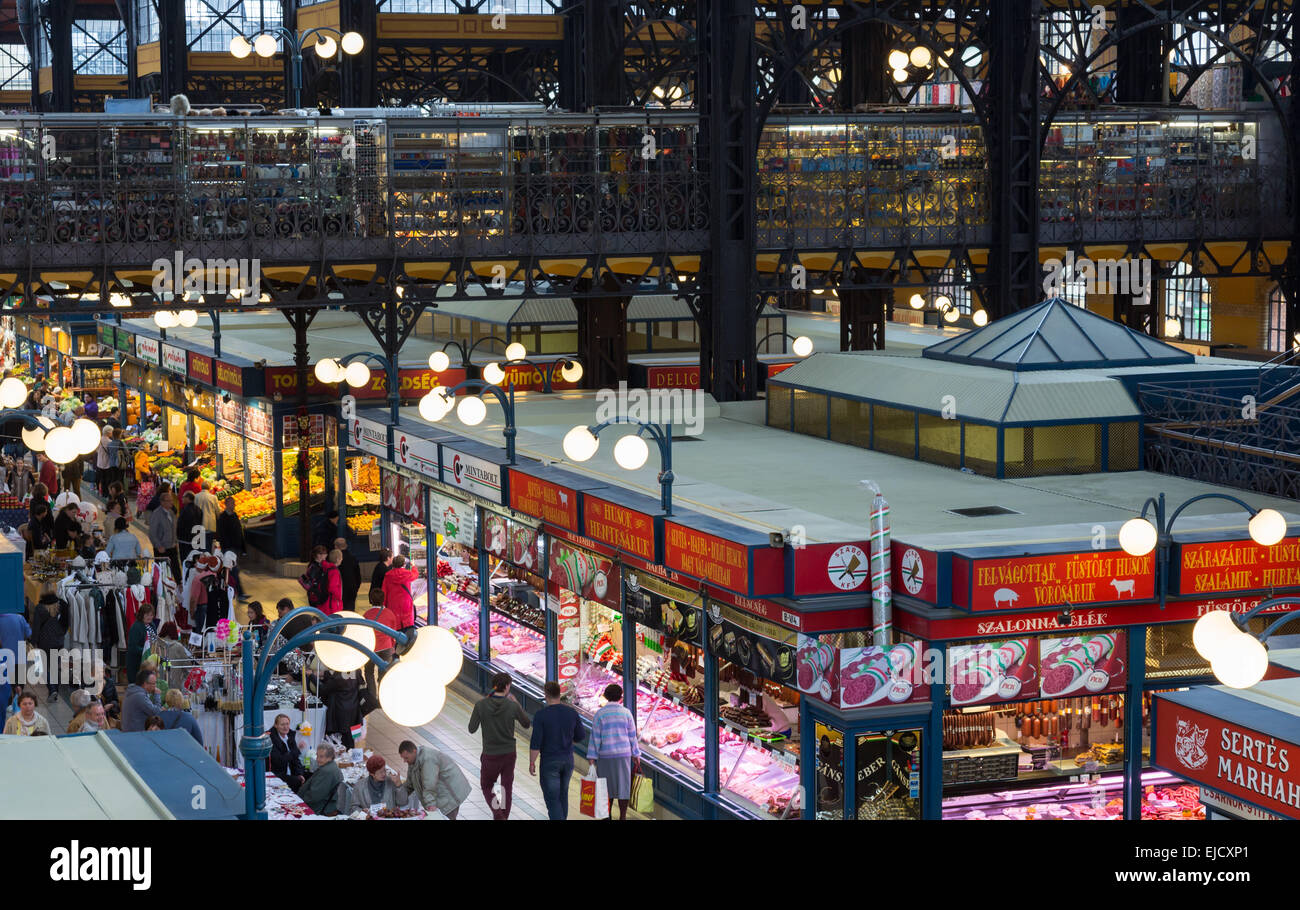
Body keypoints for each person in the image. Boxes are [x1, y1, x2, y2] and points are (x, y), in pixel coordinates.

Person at [467, 672, 532, 820]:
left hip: (490, 754)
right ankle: (502, 817)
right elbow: (526, 724)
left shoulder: (481, 705)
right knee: (506, 788)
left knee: (487, 785)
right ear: (507, 686)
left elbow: (471, 728)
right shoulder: (512, 706)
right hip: (509, 753)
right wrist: (517, 704)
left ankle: (498, 814)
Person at [529, 680, 585, 820]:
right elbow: (581, 736)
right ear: (560, 694)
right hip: (567, 760)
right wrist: (567, 740)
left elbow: (536, 742)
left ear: (546, 694)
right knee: (562, 795)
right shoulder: (571, 713)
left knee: (552, 799)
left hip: (550, 761)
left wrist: (532, 762)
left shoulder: (541, 715)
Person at [588, 684, 640, 820]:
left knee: (606, 786)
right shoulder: (626, 713)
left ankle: (607, 814)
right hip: (623, 755)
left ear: (605, 696)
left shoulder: (600, 714)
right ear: (620, 697)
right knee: (623, 786)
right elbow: (632, 736)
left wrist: (592, 756)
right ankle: (622, 816)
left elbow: (595, 737)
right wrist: (636, 754)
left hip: (605, 755)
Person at [397, 739, 471, 820]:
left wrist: (431, 806)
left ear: (414, 751)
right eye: (403, 758)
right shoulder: (413, 761)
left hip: (450, 794)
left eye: (406, 758)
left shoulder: (428, 759)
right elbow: (409, 785)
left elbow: (429, 785)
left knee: (446, 816)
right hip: (441, 794)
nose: (404, 761)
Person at [31, 584, 69, 701]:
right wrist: (61, 632)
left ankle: (52, 689)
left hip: (44, 642)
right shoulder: (62, 605)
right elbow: (67, 622)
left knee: (43, 668)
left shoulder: (40, 608)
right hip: (58, 641)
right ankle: (55, 690)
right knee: (54, 667)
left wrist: (34, 642)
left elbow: (36, 627)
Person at [314, 668, 361, 750]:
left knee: (338, 740)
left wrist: (311, 676)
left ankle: (342, 758)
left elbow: (324, 689)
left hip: (339, 711)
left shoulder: (339, 674)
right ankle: (350, 757)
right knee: (350, 739)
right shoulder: (356, 669)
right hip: (353, 710)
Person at [361, 602, 397, 707]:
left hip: (372, 648)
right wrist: (393, 645)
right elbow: (393, 631)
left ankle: (372, 698)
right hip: (386, 648)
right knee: (384, 674)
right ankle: (383, 699)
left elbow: (364, 631)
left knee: (369, 672)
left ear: (371, 600)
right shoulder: (390, 613)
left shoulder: (367, 614)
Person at [298, 743, 345, 816]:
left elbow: (314, 796)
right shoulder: (330, 766)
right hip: (322, 804)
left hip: (319, 808)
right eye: (317, 755)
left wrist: (299, 801)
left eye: (321, 757)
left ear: (330, 757)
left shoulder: (326, 771)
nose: (317, 759)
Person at [0, 611, 30, 717]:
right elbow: (28, 633)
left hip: (5, 657)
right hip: (20, 654)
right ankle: (19, 706)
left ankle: (8, 707)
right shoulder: (20, 618)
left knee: (7, 684)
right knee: (19, 684)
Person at [381, 554, 418, 638]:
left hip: (392, 604)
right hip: (406, 603)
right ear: (404, 564)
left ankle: (397, 642)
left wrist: (383, 606)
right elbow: (415, 575)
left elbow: (384, 591)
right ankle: (406, 641)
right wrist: (413, 566)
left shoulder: (388, 576)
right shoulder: (407, 574)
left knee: (395, 625)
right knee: (407, 625)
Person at [268, 714, 307, 789]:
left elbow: (296, 759)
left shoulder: (290, 736)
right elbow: (279, 761)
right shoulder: (271, 740)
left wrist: (299, 773)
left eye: (287, 724)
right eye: (282, 724)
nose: (286, 727)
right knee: (297, 782)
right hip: (278, 774)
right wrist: (297, 750)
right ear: (276, 725)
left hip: (290, 772)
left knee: (310, 776)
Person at [147, 489, 180, 581]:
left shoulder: (171, 512)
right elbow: (152, 532)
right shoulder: (156, 514)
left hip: (172, 546)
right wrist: (158, 545)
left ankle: (179, 585)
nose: (171, 502)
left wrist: (175, 541)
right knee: (162, 570)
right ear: (162, 502)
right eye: (169, 501)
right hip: (161, 548)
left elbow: (174, 528)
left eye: (171, 500)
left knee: (176, 568)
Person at [124, 603, 157, 689]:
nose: (149, 617)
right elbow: (132, 647)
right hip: (136, 663)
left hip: (149, 661)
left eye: (151, 615)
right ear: (142, 615)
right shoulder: (136, 627)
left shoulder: (152, 625)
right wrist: (146, 652)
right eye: (147, 615)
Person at [156, 622, 190, 692]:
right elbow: (186, 666)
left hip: (157, 685)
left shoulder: (155, 645)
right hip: (174, 686)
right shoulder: (178, 647)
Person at [299, 546, 332, 611]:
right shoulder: (314, 567)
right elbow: (314, 582)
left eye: (325, 554)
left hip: (316, 595)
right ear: (317, 555)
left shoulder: (317, 565)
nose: (325, 556)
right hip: (316, 596)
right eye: (322, 554)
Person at [333, 537, 361, 612]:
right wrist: (356, 588)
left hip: (340, 590)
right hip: (352, 589)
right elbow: (358, 575)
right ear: (346, 545)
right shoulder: (353, 557)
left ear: (336, 547)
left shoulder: (335, 560)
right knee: (350, 610)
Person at [176, 491, 203, 561]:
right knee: (195, 560)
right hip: (196, 539)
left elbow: (180, 525)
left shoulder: (184, 510)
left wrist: (177, 536)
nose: (181, 499)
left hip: (185, 540)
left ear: (188, 498)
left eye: (183, 497)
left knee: (185, 560)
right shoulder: (199, 509)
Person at [323, 549, 344, 614]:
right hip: (332, 604)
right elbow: (332, 588)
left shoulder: (327, 568)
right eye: (341, 557)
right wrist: (339, 598)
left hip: (326, 602)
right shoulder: (335, 571)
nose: (342, 559)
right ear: (337, 559)